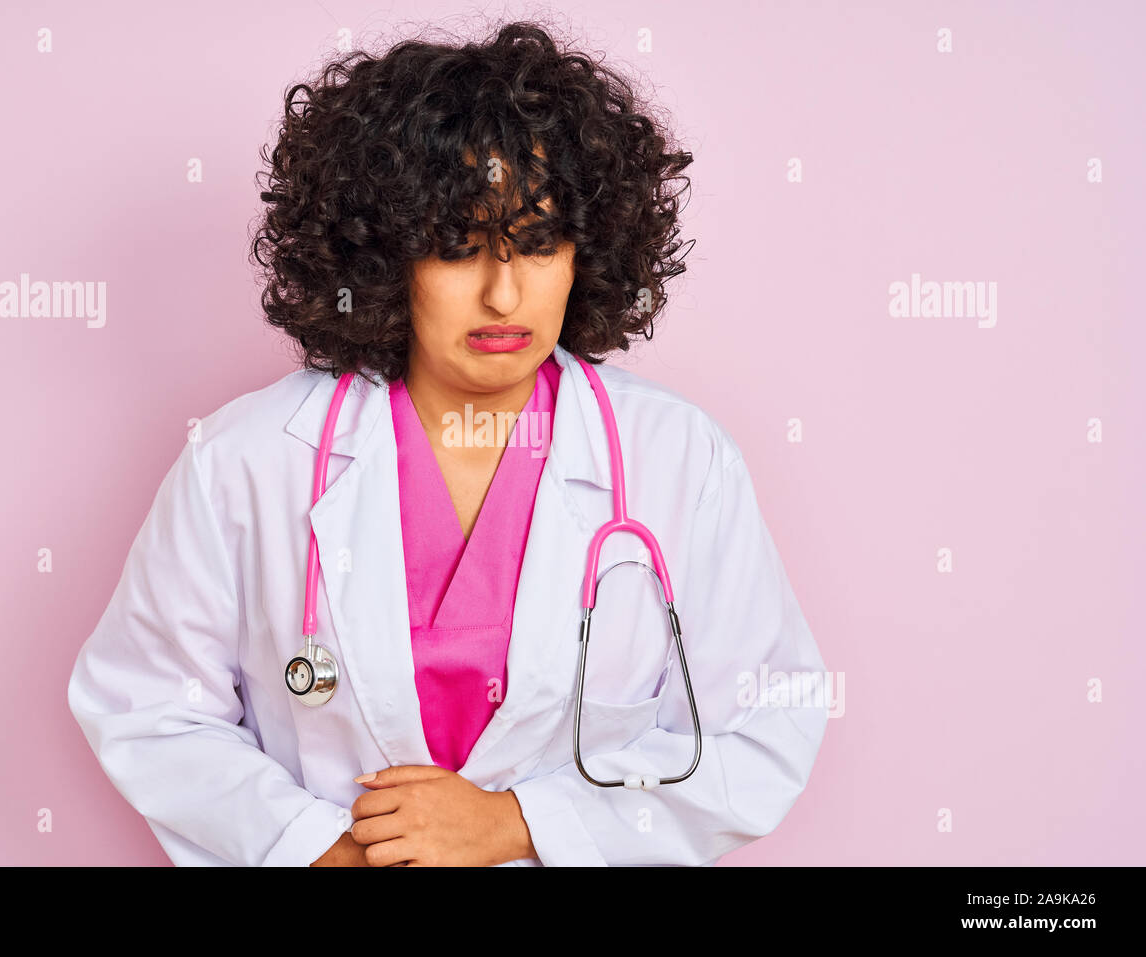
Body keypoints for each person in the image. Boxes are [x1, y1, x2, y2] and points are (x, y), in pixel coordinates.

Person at [67, 20, 827, 867]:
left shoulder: (680, 461)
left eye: (538, 242)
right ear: (387, 255)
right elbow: (145, 704)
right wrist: (317, 848)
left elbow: (768, 723)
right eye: (459, 246)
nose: (505, 294)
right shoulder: (245, 462)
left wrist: (515, 824)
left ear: (588, 249)